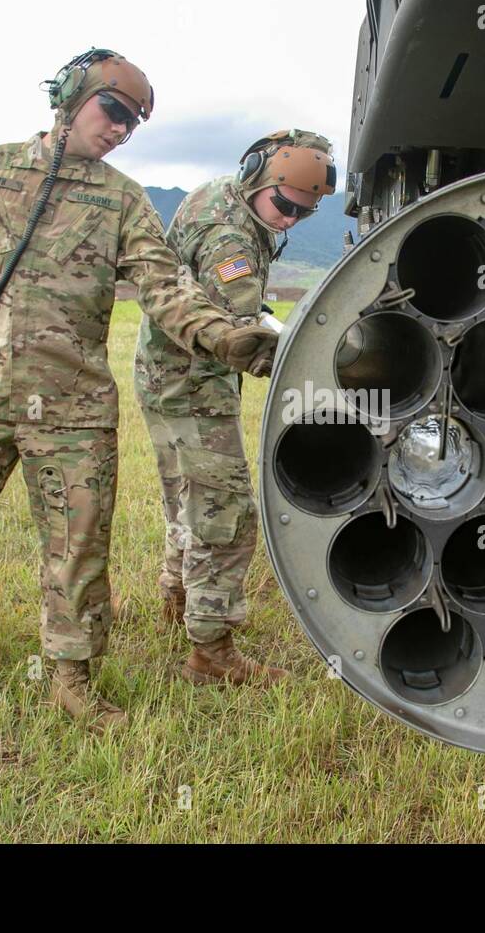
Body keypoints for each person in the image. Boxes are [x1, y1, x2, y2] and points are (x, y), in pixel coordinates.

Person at [0, 48, 276, 733]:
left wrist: (221, 337)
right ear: (71, 94)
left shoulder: (122, 199)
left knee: (78, 550)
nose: (120, 130)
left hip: (73, 405)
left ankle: (71, 677)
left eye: (133, 124)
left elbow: (163, 286)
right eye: (113, 111)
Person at [133, 128, 336, 686]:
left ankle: (176, 600)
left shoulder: (225, 194)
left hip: (164, 375)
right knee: (228, 512)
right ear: (258, 176)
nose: (291, 219)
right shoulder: (230, 237)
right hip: (192, 385)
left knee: (186, 497)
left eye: (304, 213)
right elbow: (245, 333)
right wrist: (324, 366)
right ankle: (211, 653)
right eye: (286, 205)